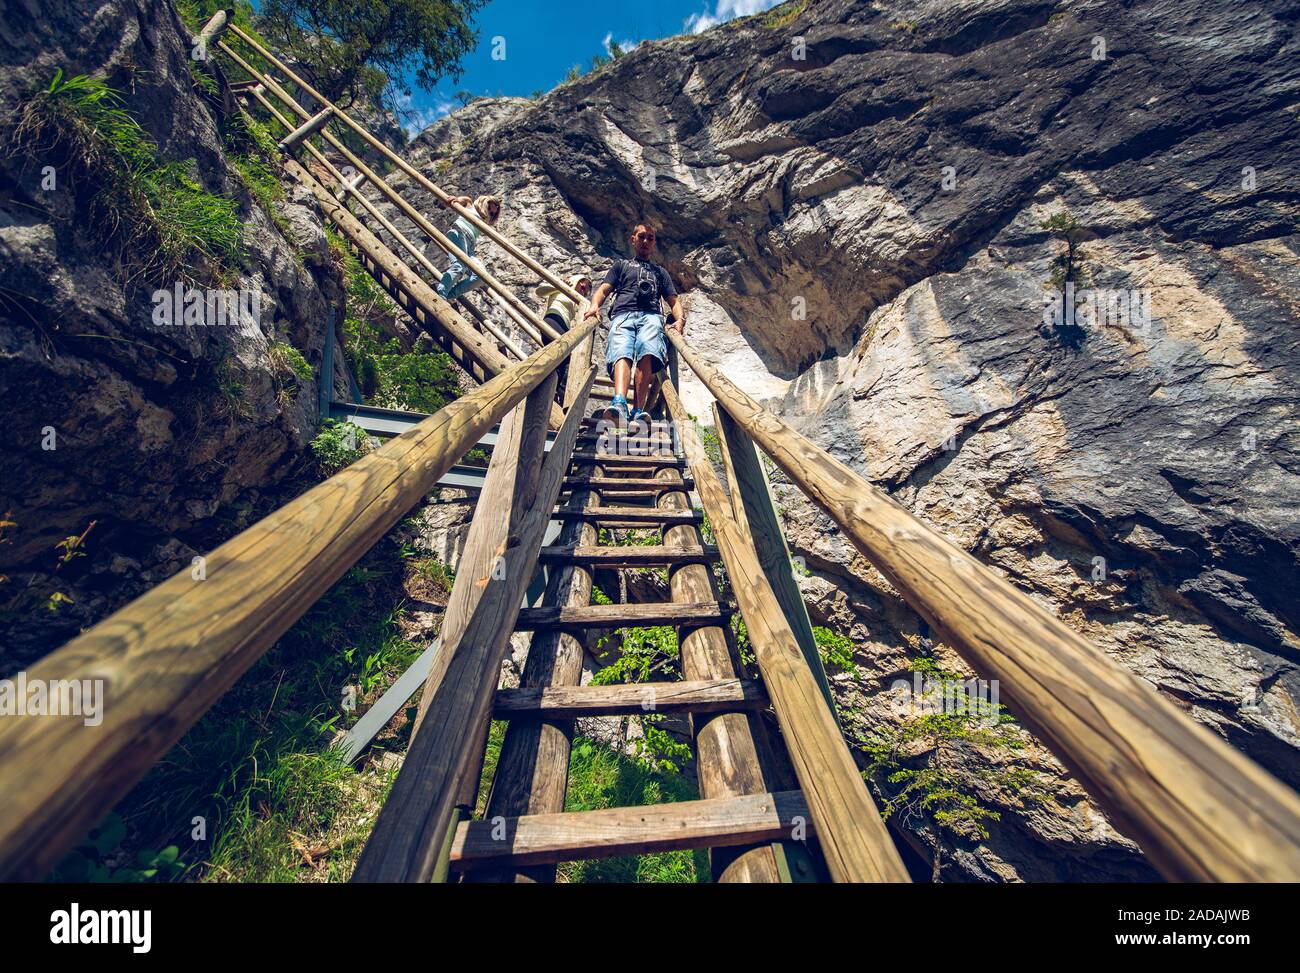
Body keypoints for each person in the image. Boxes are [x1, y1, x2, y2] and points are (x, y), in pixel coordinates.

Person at [582, 222, 685, 423]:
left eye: (650, 238)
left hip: (652, 316)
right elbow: (604, 290)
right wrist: (594, 305)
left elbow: (673, 300)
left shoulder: (660, 272)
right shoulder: (621, 265)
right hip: (623, 313)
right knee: (621, 350)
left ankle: (637, 410)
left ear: (654, 243)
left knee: (648, 352)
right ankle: (619, 402)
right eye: (642, 237)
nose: (646, 241)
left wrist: (680, 319)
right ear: (633, 239)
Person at [435, 193, 502, 301]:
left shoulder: (485, 221)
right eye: (493, 205)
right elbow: (454, 201)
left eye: (495, 209)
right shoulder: (469, 203)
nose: (495, 209)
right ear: (486, 202)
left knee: (481, 276)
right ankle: (440, 293)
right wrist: (451, 200)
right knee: (459, 266)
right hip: (460, 232)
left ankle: (448, 296)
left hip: (470, 244)